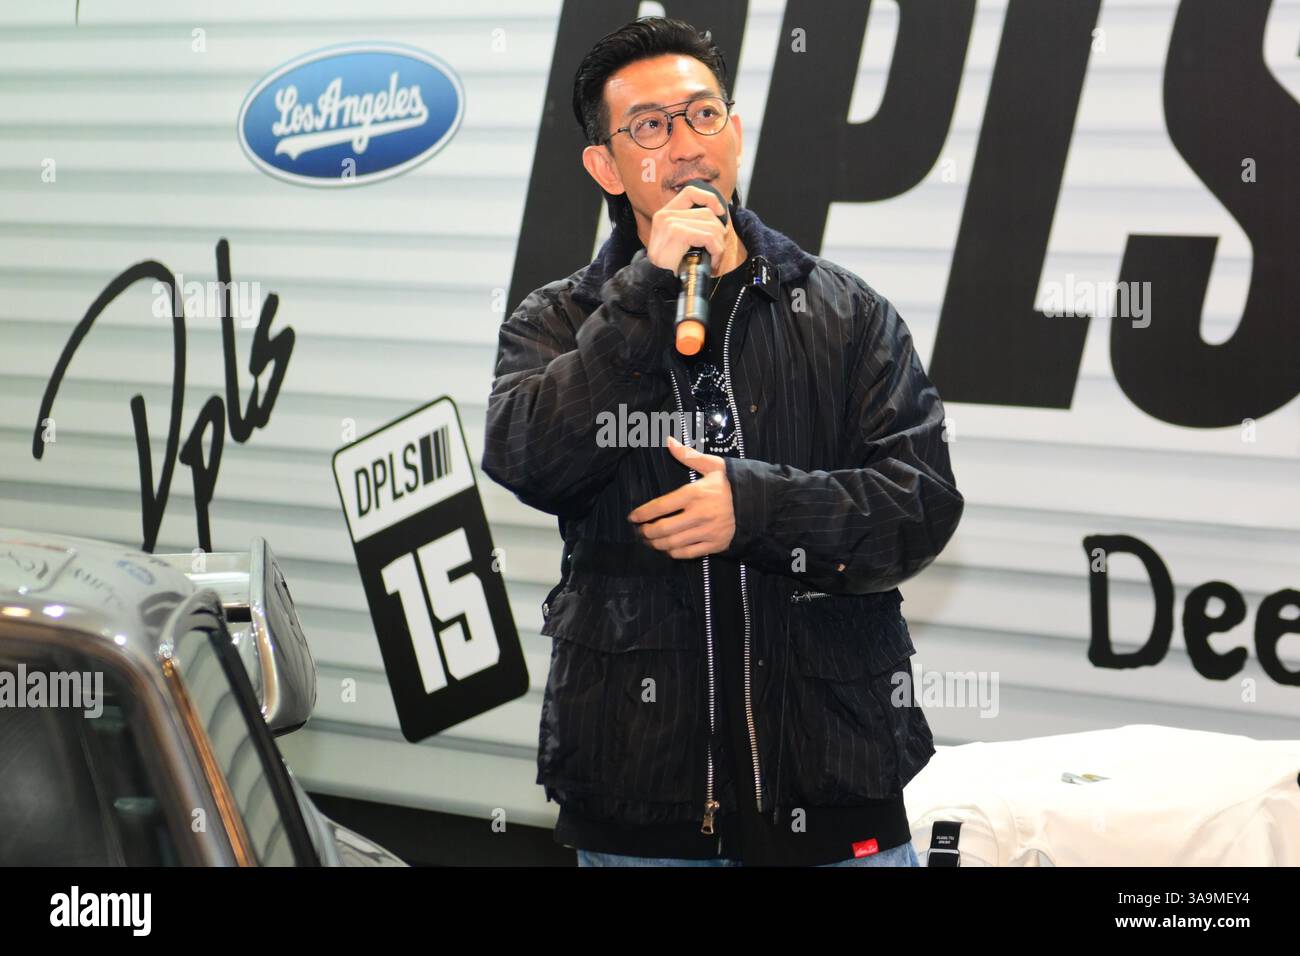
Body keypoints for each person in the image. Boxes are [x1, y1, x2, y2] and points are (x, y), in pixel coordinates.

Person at [482, 16, 963, 867]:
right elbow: (530, 459)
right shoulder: (559, 318)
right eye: (650, 127)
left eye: (703, 116)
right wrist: (643, 298)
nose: (686, 146)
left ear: (735, 132)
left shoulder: (844, 314)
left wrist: (758, 507)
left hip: (834, 792)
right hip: (640, 805)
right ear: (605, 164)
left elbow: (920, 506)